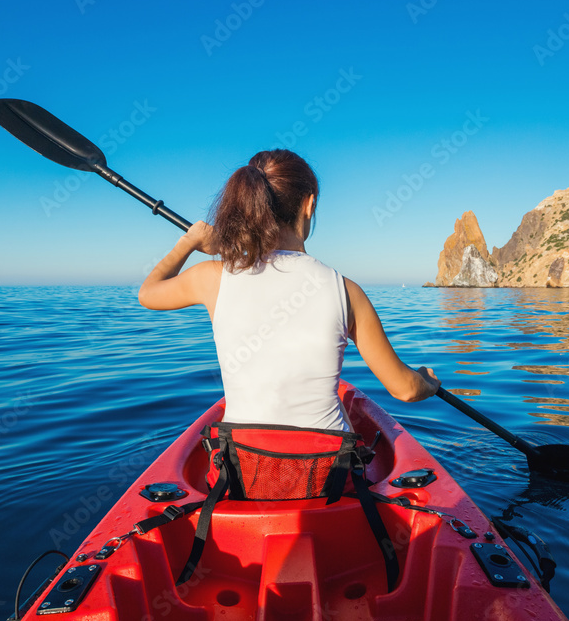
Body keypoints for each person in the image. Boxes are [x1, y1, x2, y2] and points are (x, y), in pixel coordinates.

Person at [138, 149, 439, 431]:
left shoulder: (211, 278)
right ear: (309, 204)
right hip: (326, 471)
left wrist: (189, 242)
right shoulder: (346, 291)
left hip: (246, 466)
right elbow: (406, 389)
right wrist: (426, 381)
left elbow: (148, 293)